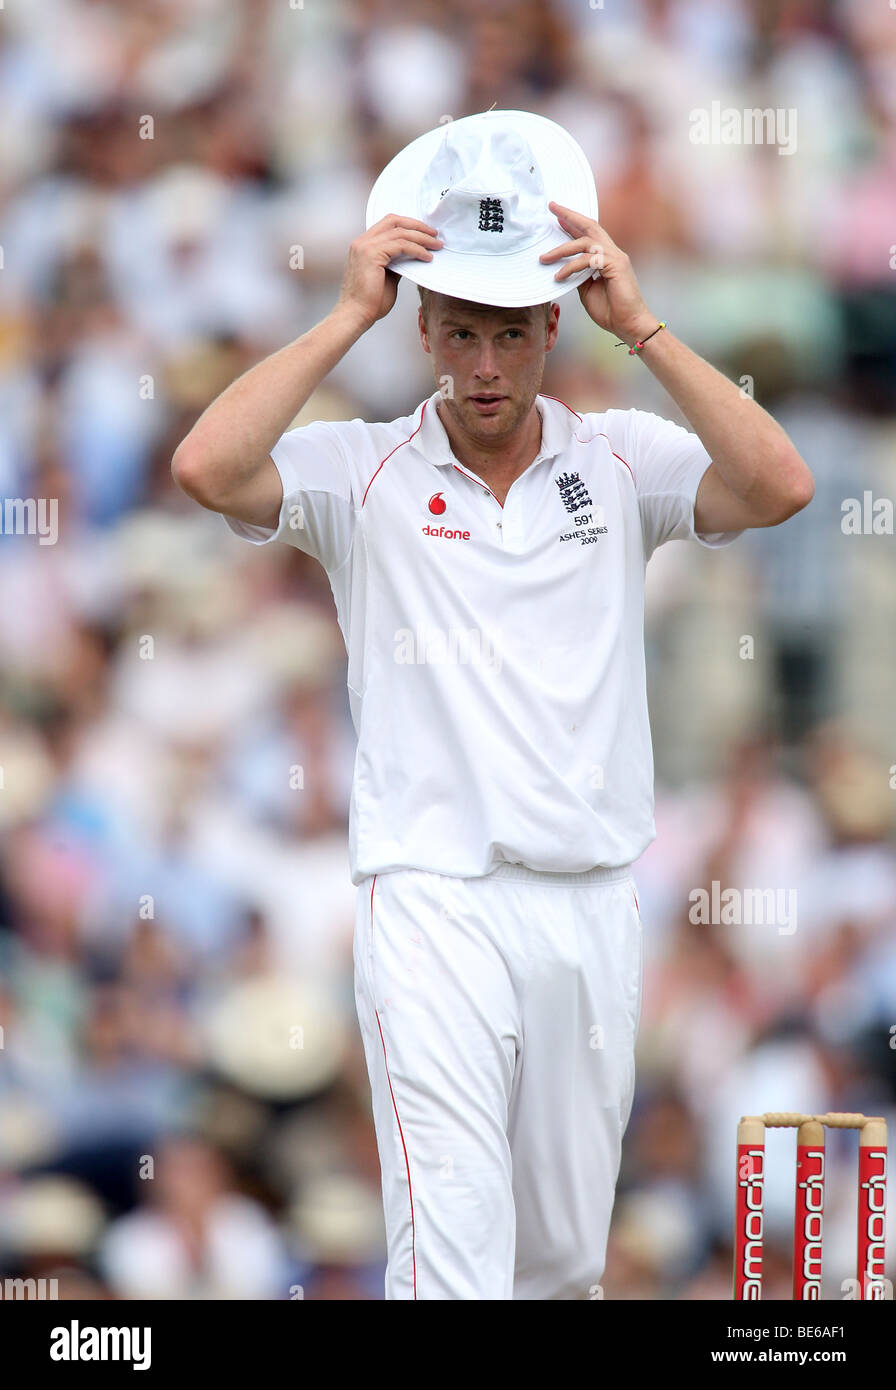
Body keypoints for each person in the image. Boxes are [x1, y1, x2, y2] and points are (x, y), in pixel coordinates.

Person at [172, 111, 814, 1300]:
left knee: (559, 1264)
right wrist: (346, 311)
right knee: (453, 1255)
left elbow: (778, 483)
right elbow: (207, 468)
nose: (481, 368)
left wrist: (644, 327)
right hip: (432, 900)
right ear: (422, 325)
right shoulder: (354, 472)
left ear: (548, 328)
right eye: (457, 332)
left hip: (589, 904)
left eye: (508, 336)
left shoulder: (618, 456)